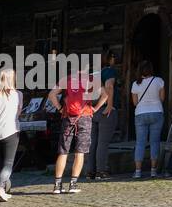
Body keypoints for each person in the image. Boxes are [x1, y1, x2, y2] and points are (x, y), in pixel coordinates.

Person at [47, 65, 107, 194]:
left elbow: (51, 95)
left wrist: (60, 108)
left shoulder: (66, 79)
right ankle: (73, 185)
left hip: (68, 117)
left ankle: (57, 185)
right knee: (80, 151)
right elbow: (105, 95)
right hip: (84, 116)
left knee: (63, 151)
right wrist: (95, 109)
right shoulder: (91, 79)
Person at [129, 61, 165, 179]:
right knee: (155, 142)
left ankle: (138, 171)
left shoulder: (135, 84)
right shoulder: (159, 81)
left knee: (140, 143)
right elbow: (162, 98)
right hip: (156, 112)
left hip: (140, 113)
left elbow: (134, 103)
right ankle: (153, 171)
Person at [89, 48, 120, 180]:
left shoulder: (93, 73)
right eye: (113, 56)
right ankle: (101, 171)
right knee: (103, 142)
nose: (115, 59)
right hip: (104, 110)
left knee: (93, 142)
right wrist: (109, 105)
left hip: (93, 108)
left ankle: (91, 171)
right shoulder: (109, 71)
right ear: (108, 59)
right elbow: (109, 87)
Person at [0, 68, 22, 202]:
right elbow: (17, 114)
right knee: (8, 163)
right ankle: (1, 188)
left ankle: (3, 186)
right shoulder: (18, 94)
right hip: (11, 131)